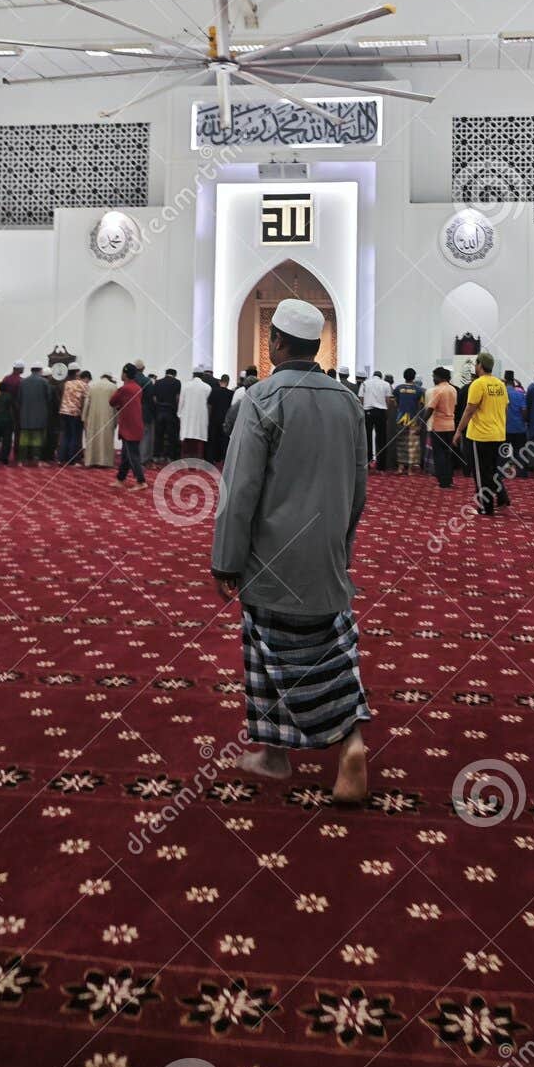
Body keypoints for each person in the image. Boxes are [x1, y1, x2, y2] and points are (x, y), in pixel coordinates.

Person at [211, 298, 369, 803]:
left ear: (276, 344)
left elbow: (239, 490)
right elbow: (360, 487)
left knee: (269, 656)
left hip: (270, 558)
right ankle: (318, 747)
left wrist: (226, 560)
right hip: (326, 556)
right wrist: (341, 547)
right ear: (317, 346)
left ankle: (310, 751)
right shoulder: (348, 401)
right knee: (331, 651)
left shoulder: (261, 398)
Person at [454, 350, 510, 514]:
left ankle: (486, 507)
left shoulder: (477, 384)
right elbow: (505, 408)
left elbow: (469, 411)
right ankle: (501, 498)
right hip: (498, 434)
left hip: (480, 436)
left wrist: (458, 431)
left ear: (479, 365)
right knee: (491, 470)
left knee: (480, 473)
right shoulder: (500, 384)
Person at [110, 362, 148, 487]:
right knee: (126, 456)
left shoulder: (124, 388)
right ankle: (120, 479)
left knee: (133, 456)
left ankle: (141, 481)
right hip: (136, 425)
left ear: (125, 374)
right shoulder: (137, 387)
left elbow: (112, 401)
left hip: (129, 427)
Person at [424, 366, 458, 489]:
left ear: (440, 377)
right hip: (451, 426)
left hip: (438, 427)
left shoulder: (437, 390)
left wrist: (422, 422)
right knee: (448, 454)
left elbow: (430, 409)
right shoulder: (453, 390)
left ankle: (442, 482)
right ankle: (449, 480)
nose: (433, 379)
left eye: (434, 376)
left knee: (439, 455)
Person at [393, 368, 425, 473]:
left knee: (401, 443)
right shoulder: (419, 390)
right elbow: (421, 406)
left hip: (400, 419)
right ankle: (410, 469)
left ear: (404, 376)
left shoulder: (398, 388)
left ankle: (400, 467)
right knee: (413, 444)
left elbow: (396, 404)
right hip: (413, 420)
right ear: (414, 377)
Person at [82, 373, 118, 468]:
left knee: (93, 439)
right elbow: (116, 406)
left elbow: (86, 403)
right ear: (110, 378)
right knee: (106, 439)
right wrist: (116, 421)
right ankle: (105, 462)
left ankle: (91, 461)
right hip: (108, 417)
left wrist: (84, 417)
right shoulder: (113, 387)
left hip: (93, 417)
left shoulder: (92, 386)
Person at [17, 364, 50, 465]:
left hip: (25, 415)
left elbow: (19, 399)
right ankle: (36, 459)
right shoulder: (44, 382)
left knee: (24, 438)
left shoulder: (23, 382)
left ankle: (22, 460)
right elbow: (49, 398)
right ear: (40, 371)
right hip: (39, 414)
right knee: (37, 438)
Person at [360, 368, 391, 470]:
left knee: (367, 438)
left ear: (372, 375)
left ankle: (367, 463)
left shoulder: (365, 383)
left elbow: (361, 399)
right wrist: (386, 415)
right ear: (381, 377)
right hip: (380, 412)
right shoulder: (386, 384)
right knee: (381, 439)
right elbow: (388, 401)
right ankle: (381, 466)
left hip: (367, 412)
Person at [0, 361, 24, 466]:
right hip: (16, 411)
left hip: (3, 412)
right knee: (15, 435)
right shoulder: (21, 381)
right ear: (19, 369)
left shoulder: (6, 379)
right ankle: (15, 455)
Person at [57, 367, 88, 465]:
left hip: (64, 412)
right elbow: (86, 400)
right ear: (77, 373)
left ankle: (62, 459)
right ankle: (73, 460)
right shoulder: (83, 385)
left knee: (65, 435)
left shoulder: (67, 383)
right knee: (75, 436)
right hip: (75, 413)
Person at [179, 367, 212, 460]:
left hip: (187, 415)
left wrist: (179, 414)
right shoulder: (207, 387)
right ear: (202, 375)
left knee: (187, 438)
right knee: (199, 439)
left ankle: (185, 460)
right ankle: (198, 461)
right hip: (201, 417)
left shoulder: (185, 385)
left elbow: (181, 401)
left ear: (193, 374)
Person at [151, 368, 182, 462]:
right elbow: (177, 398)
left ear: (166, 374)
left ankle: (157, 456)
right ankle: (170, 456)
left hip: (159, 410)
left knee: (158, 435)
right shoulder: (177, 382)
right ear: (174, 374)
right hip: (171, 411)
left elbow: (154, 398)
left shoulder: (158, 382)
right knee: (171, 435)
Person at [504, 370, 528, 472]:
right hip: (519, 427)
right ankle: (521, 472)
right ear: (514, 382)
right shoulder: (520, 394)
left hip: (505, 428)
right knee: (519, 451)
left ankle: (501, 472)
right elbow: (524, 410)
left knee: (503, 451)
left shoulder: (502, 394)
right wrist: (524, 421)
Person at [206, 373, 233, 463]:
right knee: (224, 439)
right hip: (225, 419)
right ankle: (222, 458)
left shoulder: (213, 391)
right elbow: (231, 408)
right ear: (228, 382)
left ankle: (211, 458)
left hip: (214, 418)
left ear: (220, 381)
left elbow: (209, 406)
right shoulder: (230, 393)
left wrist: (209, 417)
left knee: (212, 439)